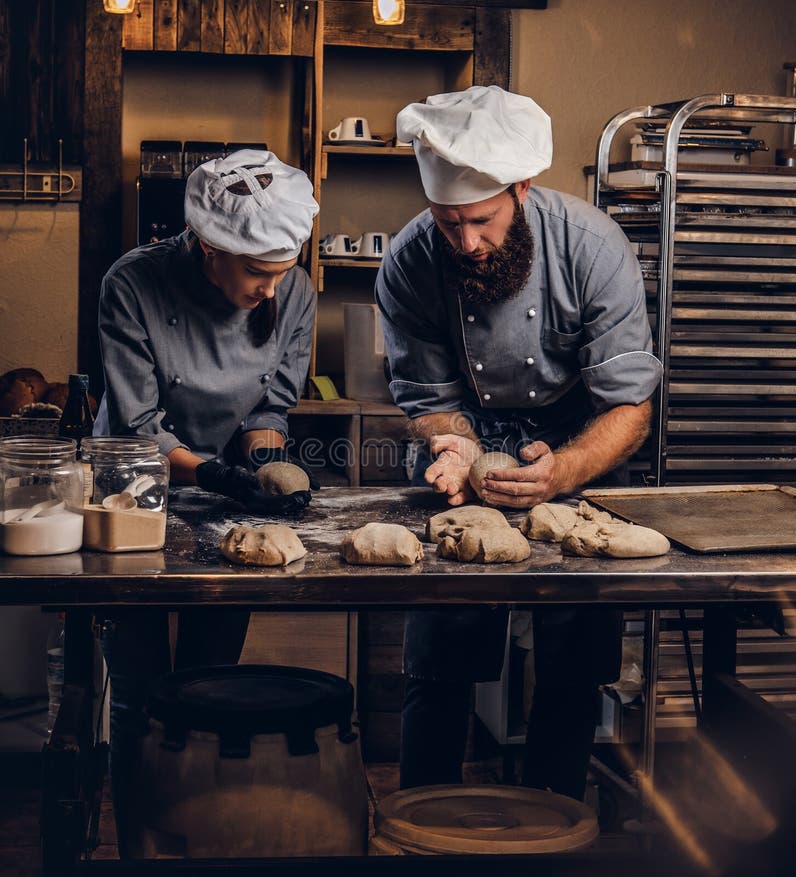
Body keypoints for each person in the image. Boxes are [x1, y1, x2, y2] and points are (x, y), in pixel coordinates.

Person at [375, 86, 663, 800]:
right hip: (466, 454)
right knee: (439, 658)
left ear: (523, 189)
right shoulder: (413, 261)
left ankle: (551, 828)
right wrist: (457, 449)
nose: (464, 244)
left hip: (578, 445)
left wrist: (562, 470)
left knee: (571, 662)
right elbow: (430, 401)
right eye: (448, 224)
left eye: (481, 220)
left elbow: (630, 407)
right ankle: (426, 826)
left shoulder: (593, 247)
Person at [94, 149, 319, 853]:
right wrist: (216, 475)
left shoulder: (294, 288)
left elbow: (269, 405)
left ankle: (194, 842)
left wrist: (261, 465)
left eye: (280, 272)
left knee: (206, 684)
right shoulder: (132, 284)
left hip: (223, 498)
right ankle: (137, 849)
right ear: (208, 247)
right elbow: (136, 431)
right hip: (129, 495)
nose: (271, 290)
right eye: (257, 273)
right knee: (139, 695)